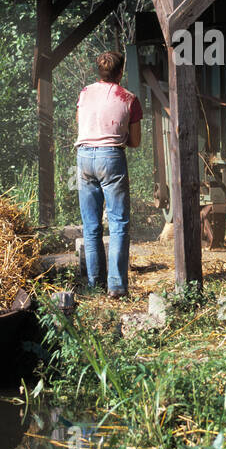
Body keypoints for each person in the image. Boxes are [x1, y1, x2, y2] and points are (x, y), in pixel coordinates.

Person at [76, 50, 142, 298]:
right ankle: (116, 286)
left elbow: (80, 125)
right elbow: (134, 141)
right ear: (120, 72)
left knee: (91, 226)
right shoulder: (129, 98)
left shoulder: (84, 93)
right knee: (118, 224)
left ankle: (95, 286)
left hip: (83, 156)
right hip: (111, 157)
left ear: (99, 71)